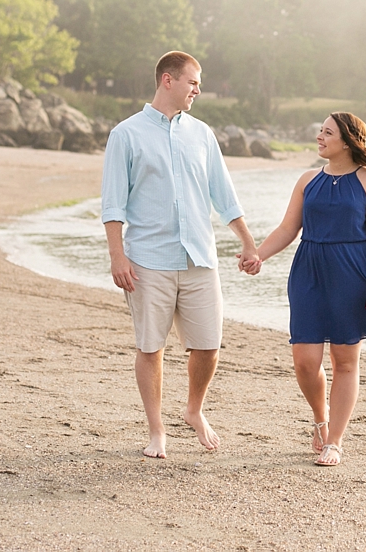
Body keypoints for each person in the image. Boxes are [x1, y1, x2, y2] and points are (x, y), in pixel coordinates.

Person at [101, 51, 258, 458]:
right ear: (167, 80)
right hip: (147, 260)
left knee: (208, 345)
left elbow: (224, 196)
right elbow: (113, 203)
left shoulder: (202, 134)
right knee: (150, 347)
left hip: (199, 258)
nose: (198, 90)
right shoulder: (126, 134)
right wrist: (117, 256)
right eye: (193, 82)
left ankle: (193, 409)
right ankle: (157, 431)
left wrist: (247, 241)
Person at [241, 112, 366, 466]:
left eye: (327, 132)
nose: (319, 136)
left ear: (347, 141)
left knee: (345, 361)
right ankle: (321, 419)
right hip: (309, 273)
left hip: (352, 275)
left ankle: (335, 441)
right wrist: (258, 255)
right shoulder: (307, 180)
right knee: (305, 361)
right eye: (320, 130)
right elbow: (288, 228)